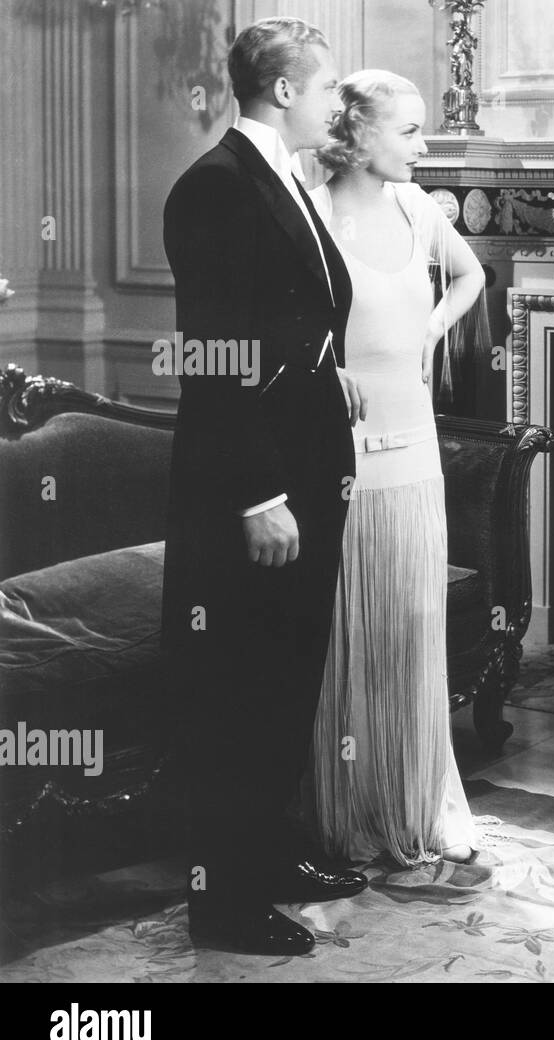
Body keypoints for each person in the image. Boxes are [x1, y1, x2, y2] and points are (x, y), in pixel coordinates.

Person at [162, 16, 368, 957]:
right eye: (327, 89)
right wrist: (256, 494)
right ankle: (226, 902)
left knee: (289, 673)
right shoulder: (216, 187)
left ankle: (272, 855)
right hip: (254, 484)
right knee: (238, 687)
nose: (338, 105)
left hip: (308, 461)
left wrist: (332, 375)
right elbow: (217, 354)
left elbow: (297, 317)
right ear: (284, 91)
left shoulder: (283, 175)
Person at [308, 70, 487, 866]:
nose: (425, 145)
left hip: (417, 452)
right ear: (357, 134)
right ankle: (347, 809)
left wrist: (434, 329)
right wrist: (322, 366)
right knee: (351, 640)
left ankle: (418, 798)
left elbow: (473, 275)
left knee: (414, 635)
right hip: (342, 459)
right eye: (409, 130)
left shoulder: (420, 208)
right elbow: (284, 320)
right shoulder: (309, 213)